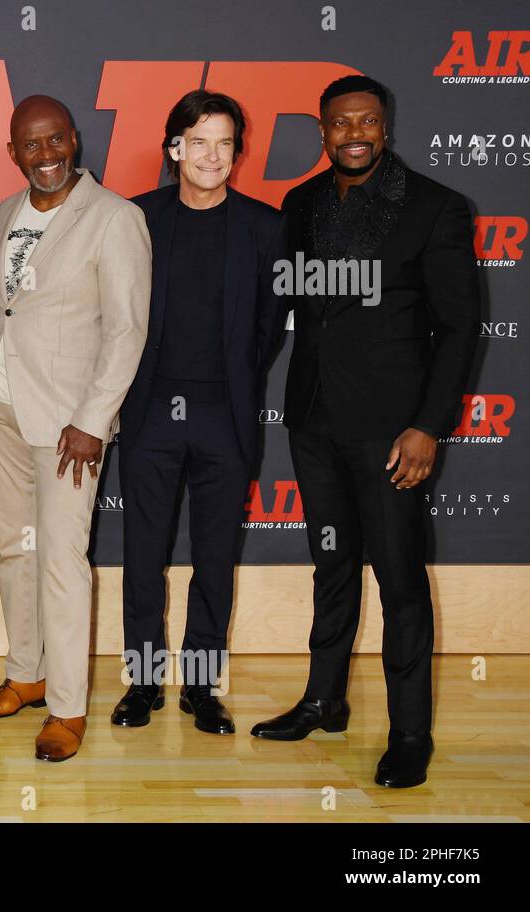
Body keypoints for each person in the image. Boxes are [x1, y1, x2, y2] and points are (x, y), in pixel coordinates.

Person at [251, 75, 480, 788]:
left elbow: (459, 326)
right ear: (322, 133)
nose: (354, 133)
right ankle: (325, 700)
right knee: (332, 566)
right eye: (340, 123)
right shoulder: (301, 203)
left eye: (368, 122)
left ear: (386, 129)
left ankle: (410, 732)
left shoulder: (435, 207)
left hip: (390, 432)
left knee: (402, 580)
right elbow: (279, 304)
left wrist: (427, 427)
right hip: (315, 419)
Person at [0, 95, 151, 762]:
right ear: (14, 152)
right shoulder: (3, 214)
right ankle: (26, 672)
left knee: (61, 561)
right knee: (13, 548)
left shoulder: (115, 218)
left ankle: (67, 707)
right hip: (1, 409)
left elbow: (127, 330)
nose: (45, 155)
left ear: (73, 140)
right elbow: (5, 313)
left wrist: (93, 419)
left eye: (55, 141)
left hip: (70, 424)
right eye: (31, 146)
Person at [115, 91, 285, 734]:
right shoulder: (138, 219)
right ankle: (143, 681)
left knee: (215, 557)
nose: (212, 155)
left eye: (224, 142)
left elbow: (268, 330)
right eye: (198, 140)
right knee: (143, 556)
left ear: (237, 152)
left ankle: (201, 686)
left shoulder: (265, 228)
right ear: (174, 148)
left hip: (226, 416)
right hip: (152, 410)